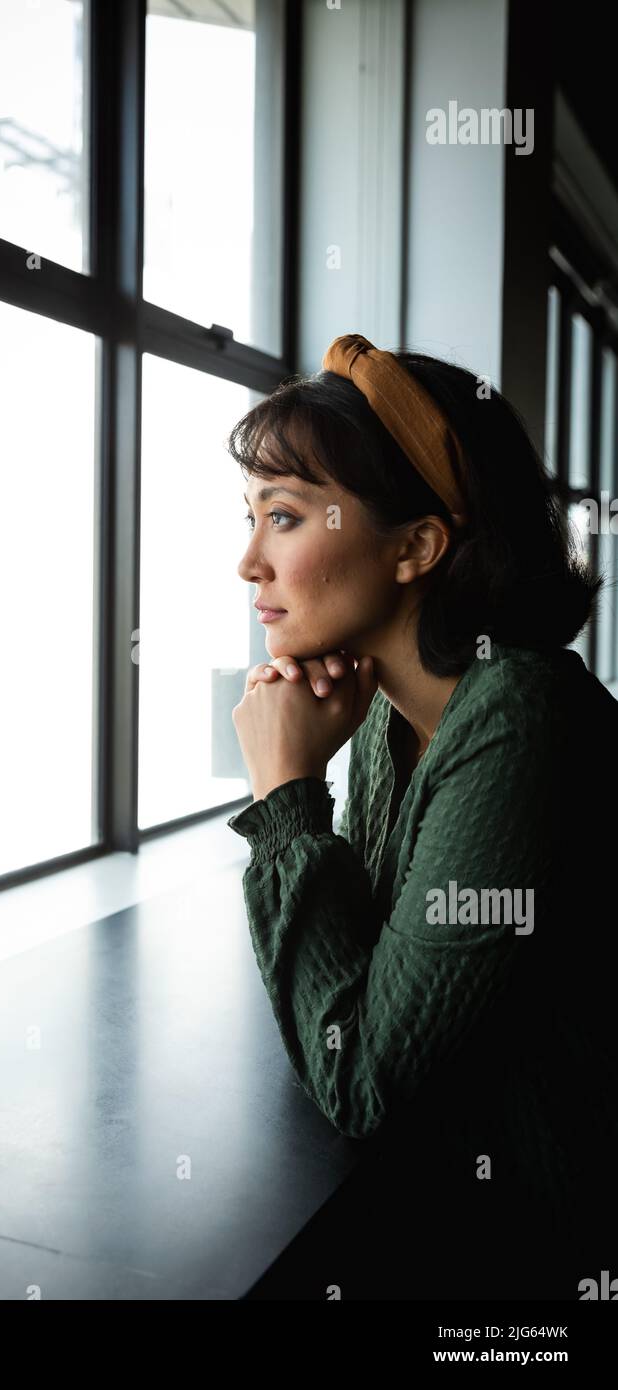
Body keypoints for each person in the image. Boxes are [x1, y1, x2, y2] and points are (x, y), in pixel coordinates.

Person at [227, 334, 618, 1301]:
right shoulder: (392, 720)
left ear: (416, 546)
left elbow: (360, 1073)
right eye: (251, 519)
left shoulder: (516, 717)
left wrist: (285, 796)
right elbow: (366, 983)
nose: (248, 564)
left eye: (283, 518)